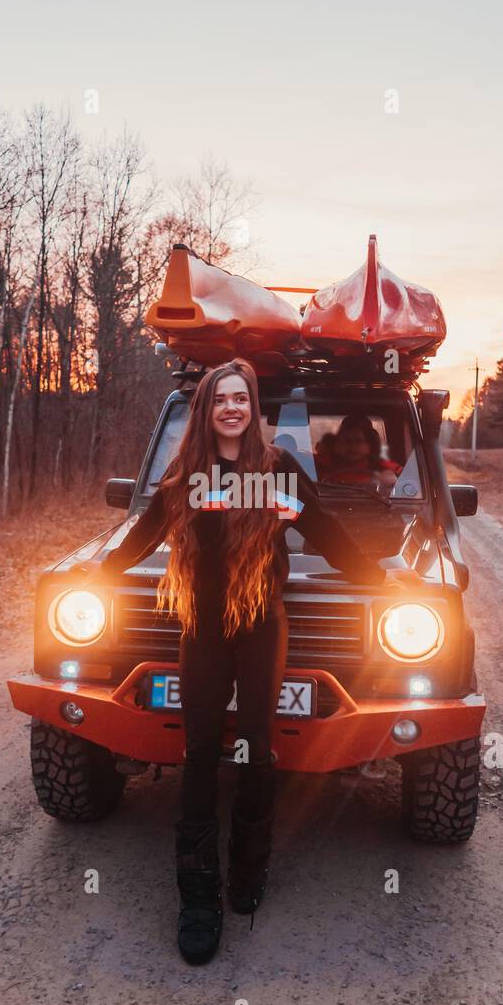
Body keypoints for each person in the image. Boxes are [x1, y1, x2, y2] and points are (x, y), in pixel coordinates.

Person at [91, 358, 385, 965]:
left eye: (241, 398)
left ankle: (249, 868)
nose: (231, 407)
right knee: (199, 751)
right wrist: (94, 574)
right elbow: (141, 535)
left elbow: (327, 532)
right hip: (201, 625)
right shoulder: (185, 476)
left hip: (261, 623)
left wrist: (384, 578)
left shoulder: (280, 469)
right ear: (205, 409)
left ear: (253, 408)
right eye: (220, 398)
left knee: (254, 742)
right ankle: (198, 895)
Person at [320, 414, 402, 486]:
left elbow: (410, 481)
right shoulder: (320, 464)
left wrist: (394, 481)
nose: (352, 447)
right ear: (337, 445)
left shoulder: (387, 468)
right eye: (346, 441)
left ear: (370, 445)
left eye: (359, 441)